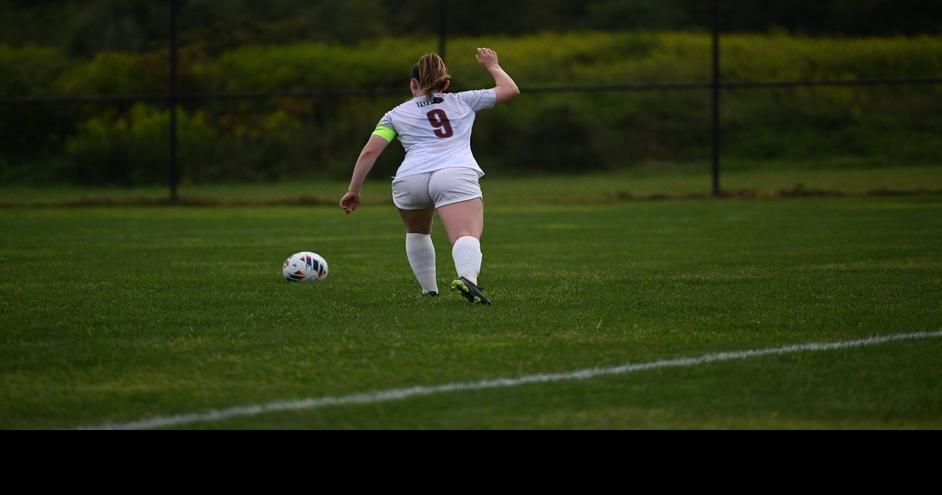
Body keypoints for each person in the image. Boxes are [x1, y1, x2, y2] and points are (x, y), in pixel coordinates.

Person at [339, 48, 520, 305]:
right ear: (445, 83)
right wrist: (492, 66)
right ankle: (468, 279)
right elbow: (510, 90)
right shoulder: (463, 100)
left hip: (410, 179)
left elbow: (370, 151)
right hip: (454, 173)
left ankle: (429, 291)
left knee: (417, 232)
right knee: (465, 234)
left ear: (413, 83)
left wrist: (354, 189)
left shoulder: (394, 114)